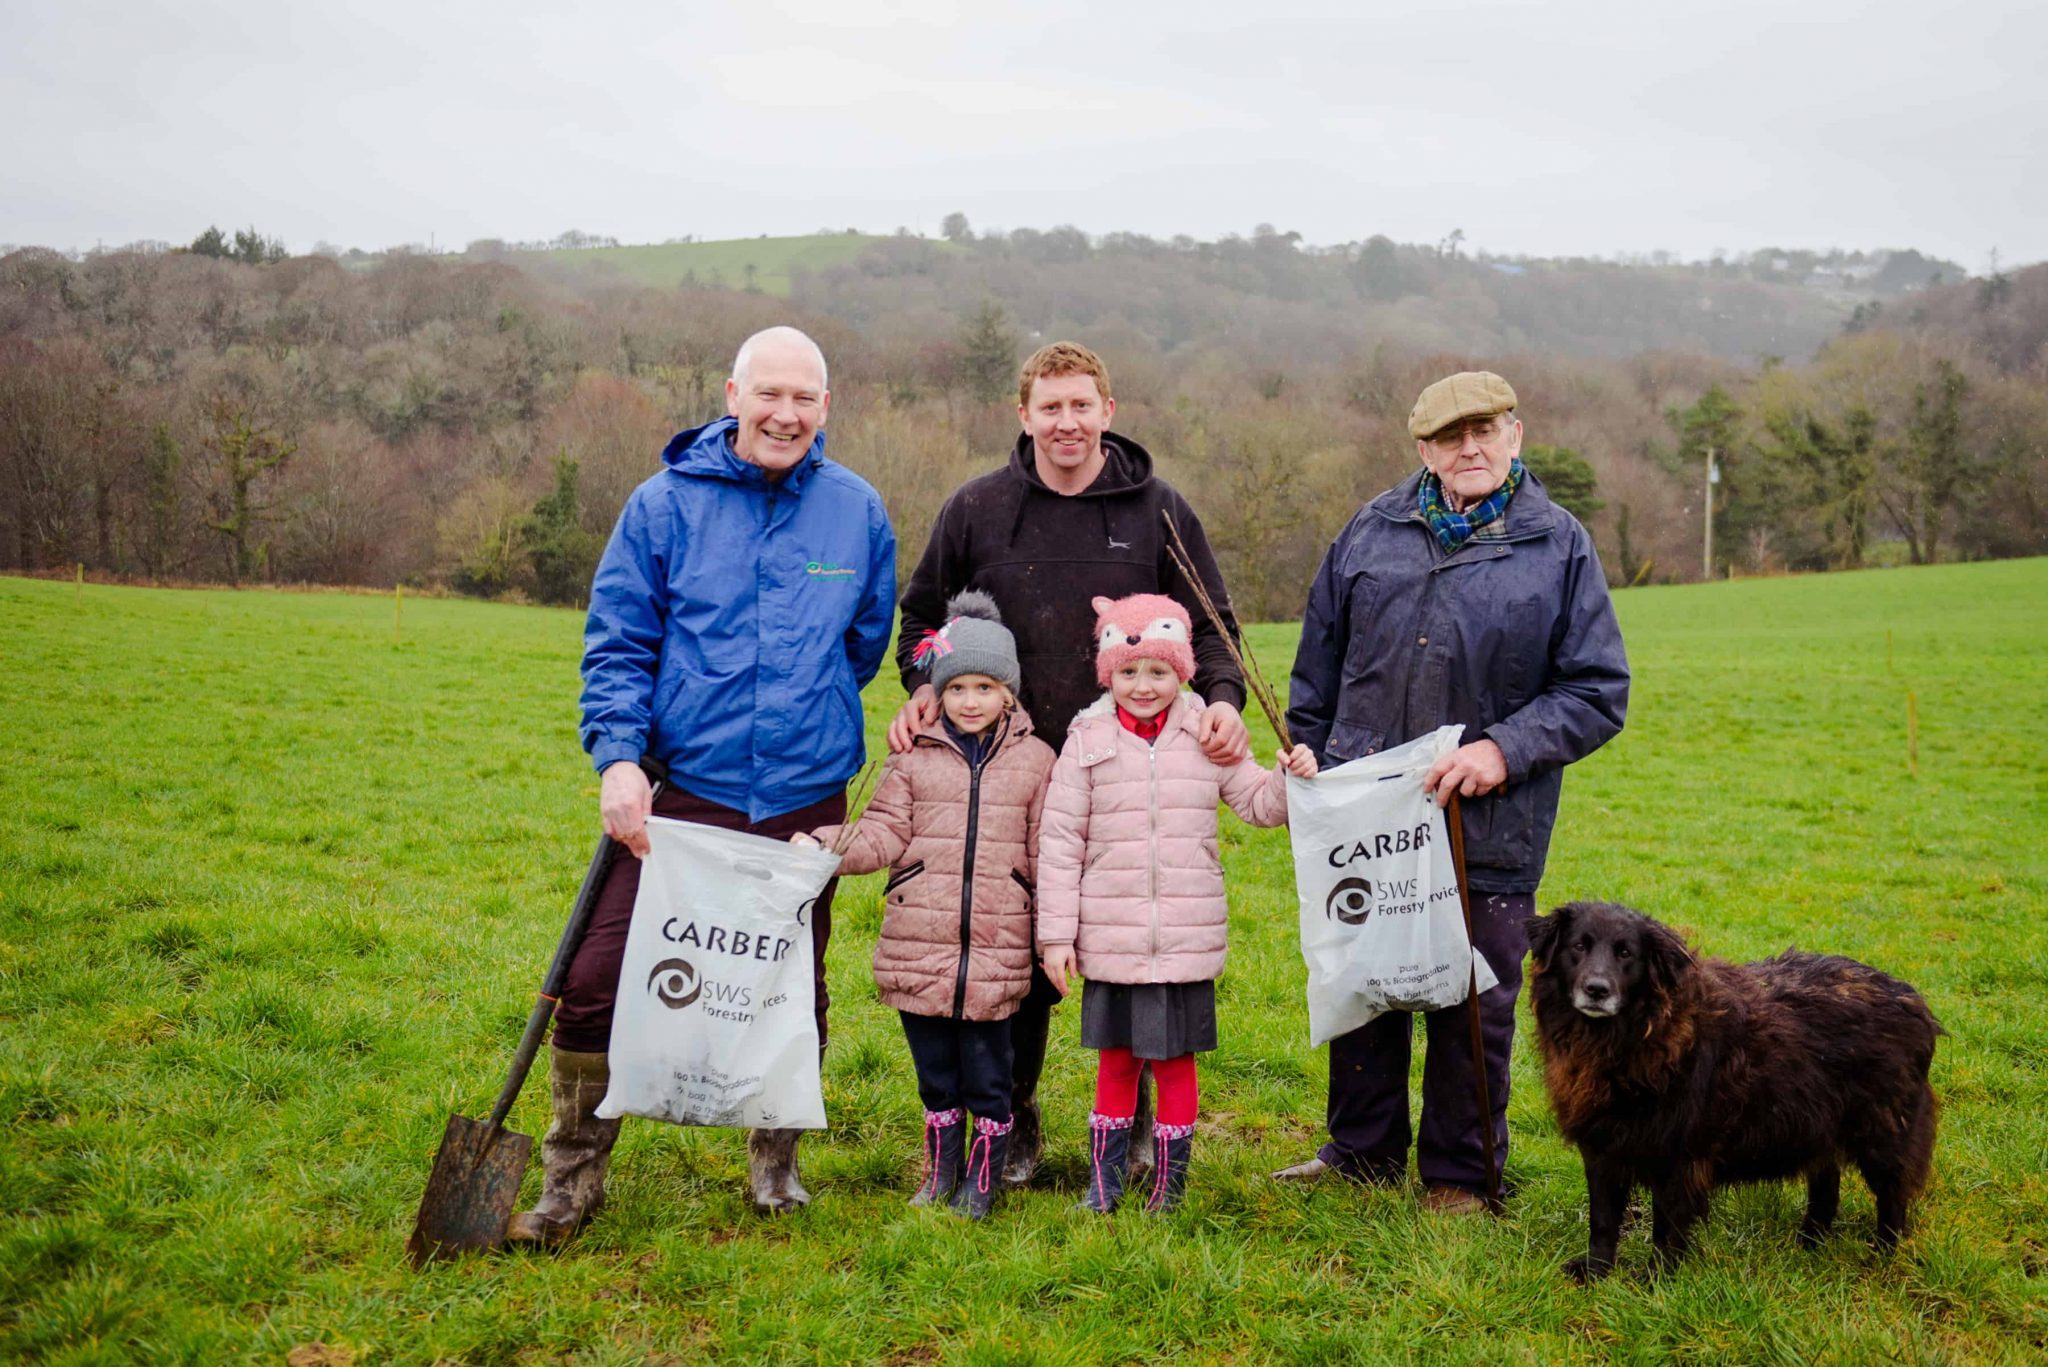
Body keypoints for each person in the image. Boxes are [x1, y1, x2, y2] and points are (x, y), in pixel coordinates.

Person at [506, 326, 896, 1246]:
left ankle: (775, 1162)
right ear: (732, 396)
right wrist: (620, 758)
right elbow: (618, 644)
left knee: (788, 984)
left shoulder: (857, 511)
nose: (785, 414)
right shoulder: (662, 505)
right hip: (680, 793)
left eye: (803, 398)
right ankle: (572, 1178)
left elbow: (863, 644)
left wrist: (803, 716)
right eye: (769, 394)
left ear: (826, 407)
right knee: (597, 975)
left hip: (801, 795)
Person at [890, 340, 1252, 1186]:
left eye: (1081, 405)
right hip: (1006, 769)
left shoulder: (1160, 510)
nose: (1066, 422)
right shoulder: (976, 508)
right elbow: (921, 622)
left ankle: (1136, 1123)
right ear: (1023, 415)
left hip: (1129, 767)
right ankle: (1011, 1119)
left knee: (1130, 946)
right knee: (1014, 954)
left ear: (1108, 412)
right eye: (1049, 407)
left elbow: (1212, 624)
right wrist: (922, 687)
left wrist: (1225, 699)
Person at [1273, 370, 1628, 1213]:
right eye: (1449, 436)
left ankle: (1461, 1175)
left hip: (1488, 825)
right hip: (1368, 818)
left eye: (1485, 430)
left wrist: (1504, 748)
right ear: (1423, 448)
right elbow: (1318, 668)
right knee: (1366, 985)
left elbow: (1597, 688)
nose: (1470, 447)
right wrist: (1311, 757)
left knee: (1473, 1002)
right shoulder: (1371, 530)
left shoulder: (1559, 544)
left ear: (1514, 435)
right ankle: (1360, 1151)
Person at [1037, 593, 1319, 1213]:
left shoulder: (1204, 734)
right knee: (1115, 1061)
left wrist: (1289, 778)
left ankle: (1170, 1185)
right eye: (1129, 672)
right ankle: (1104, 1183)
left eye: (1159, 671)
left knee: (1175, 1064)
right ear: (1108, 672)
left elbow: (1260, 805)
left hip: (1185, 939)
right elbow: (1059, 842)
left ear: (1183, 670)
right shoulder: (1086, 739)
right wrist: (1055, 935)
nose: (1143, 686)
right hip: (1111, 937)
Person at [794, 592, 1056, 1220]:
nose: (970, 700)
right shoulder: (911, 759)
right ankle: (940, 1173)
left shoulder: (1036, 761)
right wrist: (829, 845)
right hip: (920, 943)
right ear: (938, 692)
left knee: (989, 1076)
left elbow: (1046, 851)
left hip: (996, 948)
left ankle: (982, 1180)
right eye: (957, 687)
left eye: (985, 687)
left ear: (1009, 692)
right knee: (935, 1073)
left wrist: (1054, 932)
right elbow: (882, 832)